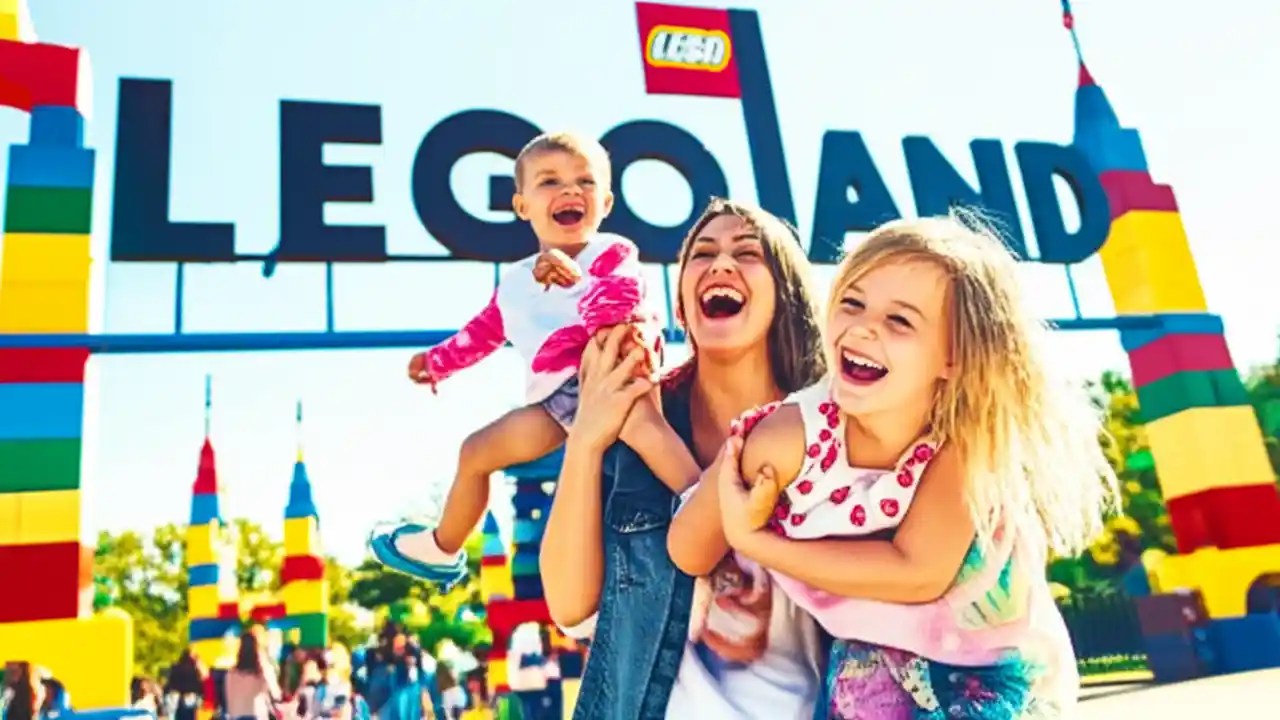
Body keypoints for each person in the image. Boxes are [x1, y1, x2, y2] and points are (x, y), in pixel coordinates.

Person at [714, 214, 1120, 718]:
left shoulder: (964, 445)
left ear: (953, 356)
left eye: (900, 320)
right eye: (852, 303)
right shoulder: (801, 433)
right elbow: (690, 518)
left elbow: (917, 573)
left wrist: (755, 542)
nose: (863, 327)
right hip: (871, 664)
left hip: (986, 673)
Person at [370, 131, 700, 587]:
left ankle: (705, 508)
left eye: (584, 182)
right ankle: (442, 547)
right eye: (549, 181)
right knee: (476, 451)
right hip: (559, 406)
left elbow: (621, 309)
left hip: (617, 378)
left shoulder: (615, 252)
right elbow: (483, 332)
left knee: (645, 429)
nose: (569, 191)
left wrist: (575, 280)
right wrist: (437, 363)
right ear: (522, 206)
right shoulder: (517, 282)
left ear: (605, 203)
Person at [540, 198, 829, 719]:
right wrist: (585, 440)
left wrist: (655, 441)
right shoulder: (633, 416)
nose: (721, 264)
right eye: (703, 253)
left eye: (748, 253)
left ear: (786, 295)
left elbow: (733, 547)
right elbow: (569, 606)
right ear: (679, 307)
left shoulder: (824, 426)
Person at [223, 632, 282, 720]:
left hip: (236, 716)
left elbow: (228, 701)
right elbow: (277, 694)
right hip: (257, 715)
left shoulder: (230, 674)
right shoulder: (262, 672)